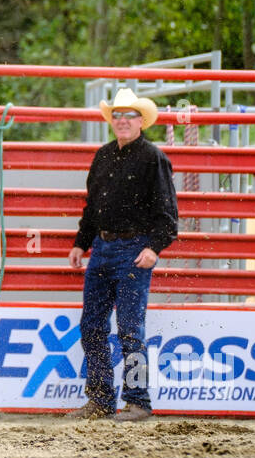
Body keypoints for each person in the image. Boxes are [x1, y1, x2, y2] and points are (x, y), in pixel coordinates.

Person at [66, 88, 178, 422]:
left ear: (141, 121)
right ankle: (101, 400)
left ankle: (137, 401)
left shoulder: (153, 158)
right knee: (92, 325)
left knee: (130, 327)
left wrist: (154, 247)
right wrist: (80, 242)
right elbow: (93, 207)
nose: (122, 121)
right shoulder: (102, 156)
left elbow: (167, 212)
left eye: (129, 115)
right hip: (102, 247)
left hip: (133, 249)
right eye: (117, 115)